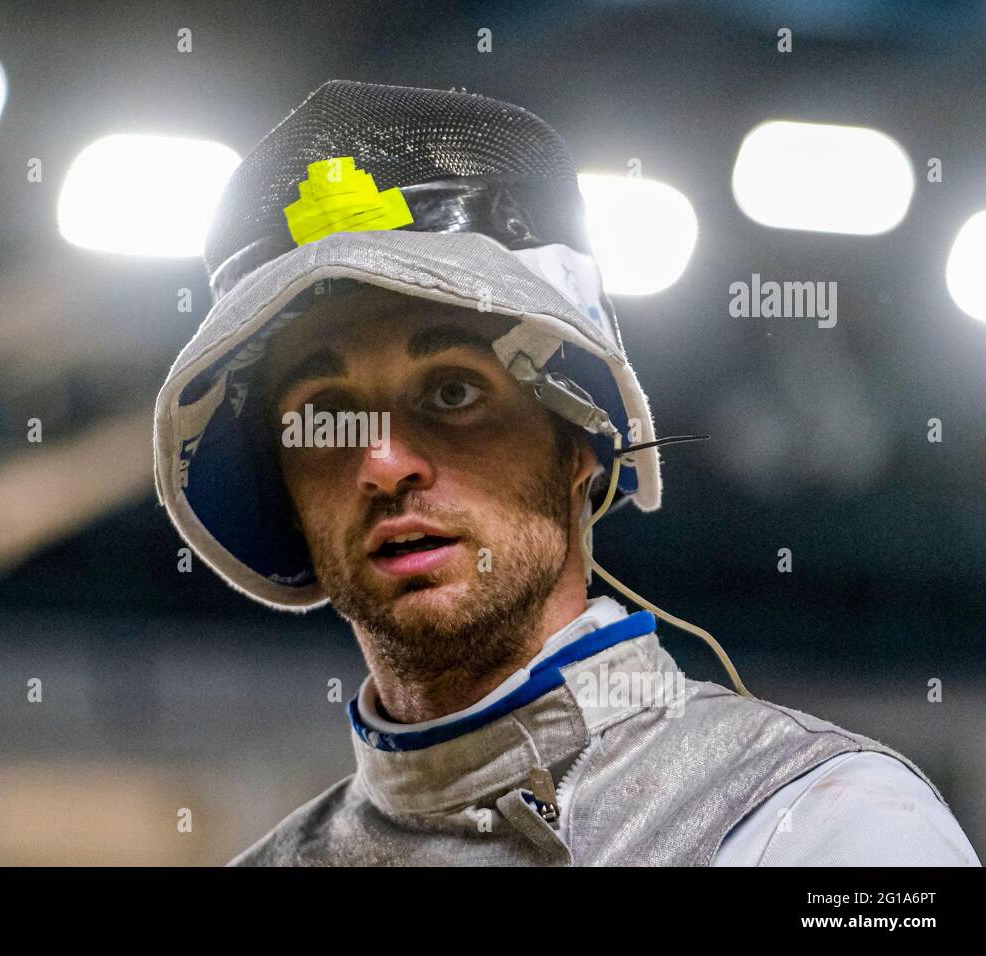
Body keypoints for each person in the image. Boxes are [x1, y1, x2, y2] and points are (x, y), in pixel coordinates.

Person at [152, 80, 980, 865]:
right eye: (327, 413)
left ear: (580, 437)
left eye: (452, 392)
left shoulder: (821, 826)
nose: (385, 464)